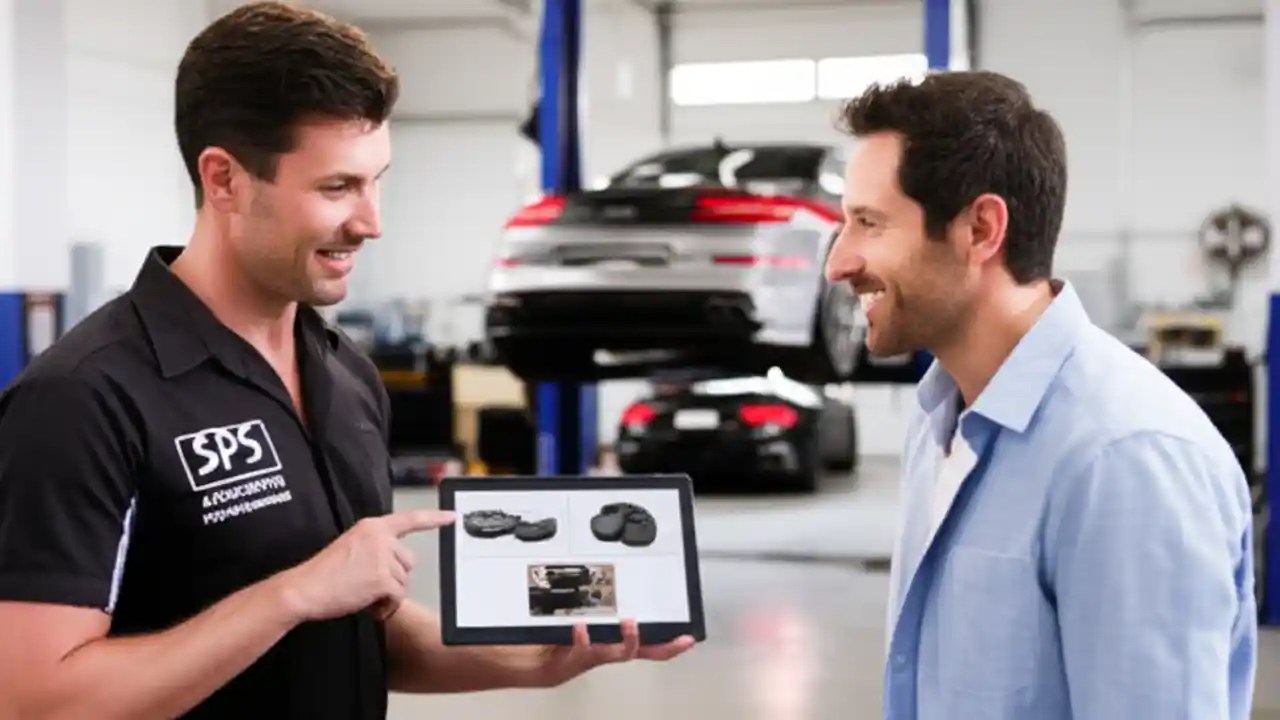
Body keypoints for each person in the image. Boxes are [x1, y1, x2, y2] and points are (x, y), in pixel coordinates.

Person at [0, 3, 693, 718]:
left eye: (376, 179)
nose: (371, 222)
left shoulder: (346, 375)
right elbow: (38, 702)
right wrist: (292, 593)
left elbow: (357, 631)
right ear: (224, 180)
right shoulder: (84, 399)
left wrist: (535, 663)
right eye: (337, 188)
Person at [824, 70, 1256, 720]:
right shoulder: (940, 418)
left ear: (980, 229)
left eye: (869, 223)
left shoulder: (1125, 461)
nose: (838, 261)